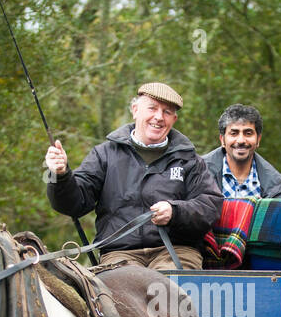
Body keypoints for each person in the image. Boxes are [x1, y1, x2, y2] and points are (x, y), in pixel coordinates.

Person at [45, 82, 222, 270]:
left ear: (174, 119)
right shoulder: (104, 154)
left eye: (167, 112)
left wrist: (175, 212)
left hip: (176, 252)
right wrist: (61, 175)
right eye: (152, 108)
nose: (159, 117)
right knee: (117, 295)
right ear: (135, 110)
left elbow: (210, 205)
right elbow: (73, 205)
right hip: (119, 254)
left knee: (165, 293)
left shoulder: (189, 159)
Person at [202, 104, 281, 201]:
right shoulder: (197, 173)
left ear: (258, 139)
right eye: (234, 133)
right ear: (222, 140)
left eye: (248, 133)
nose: (241, 140)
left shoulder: (277, 187)